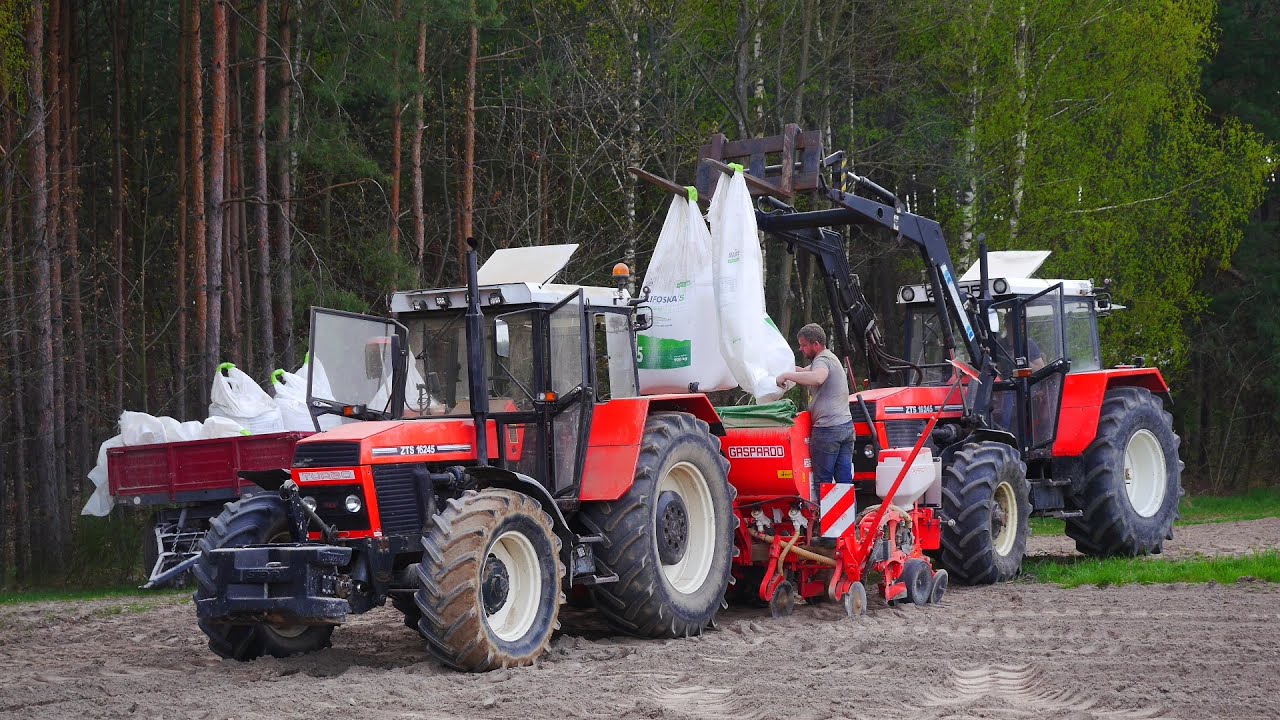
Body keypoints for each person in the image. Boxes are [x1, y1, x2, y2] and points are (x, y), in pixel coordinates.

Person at [776, 323, 853, 503]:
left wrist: (787, 375)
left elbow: (817, 377)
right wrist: (790, 369)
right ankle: (846, 527)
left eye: (803, 345)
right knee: (844, 481)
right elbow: (807, 372)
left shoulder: (822, 360)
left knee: (823, 481)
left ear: (816, 344)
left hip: (828, 430)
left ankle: (825, 525)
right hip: (845, 427)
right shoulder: (831, 358)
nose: (801, 349)